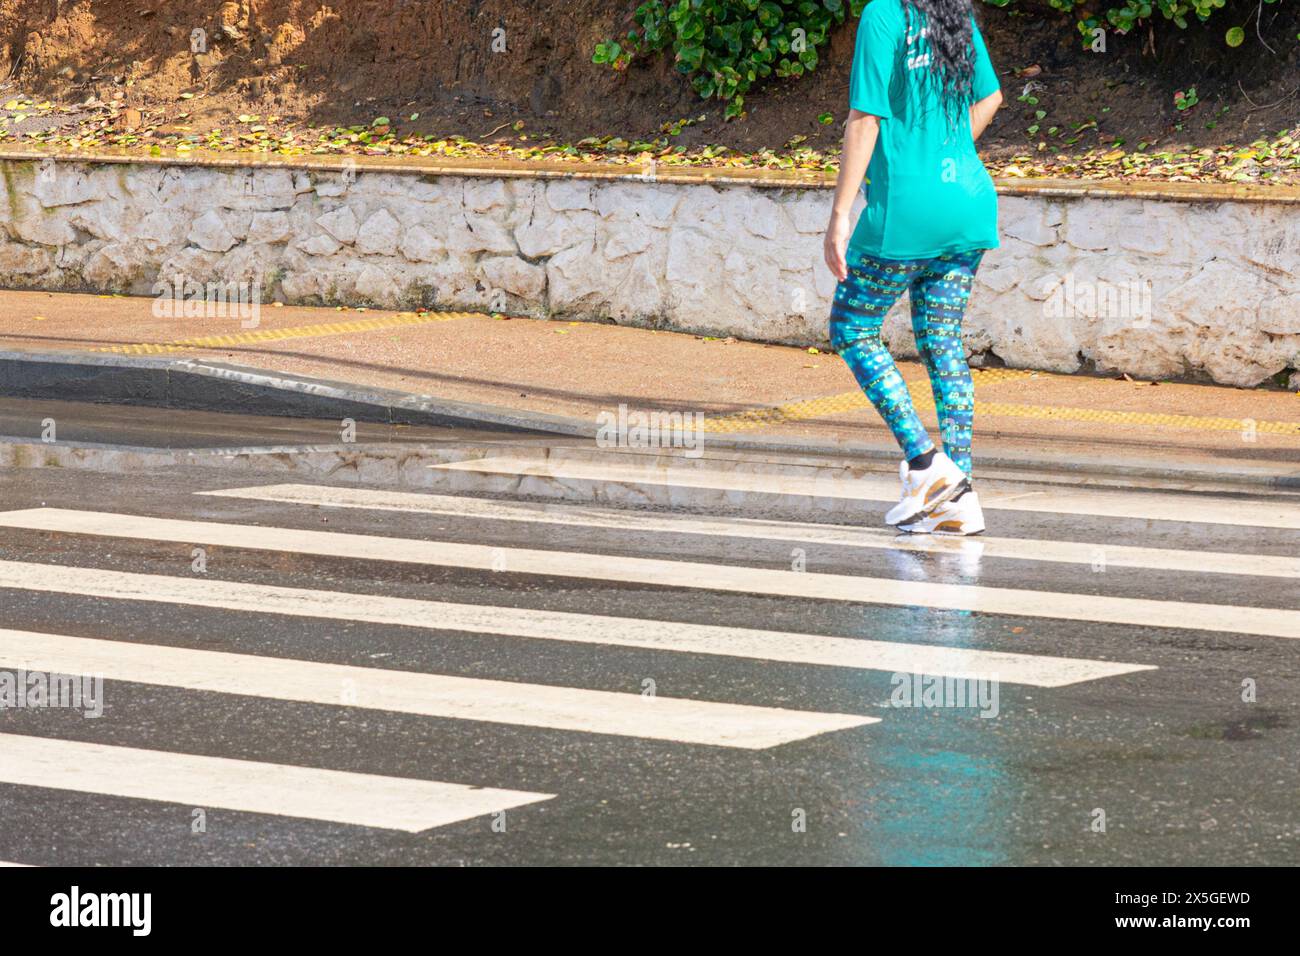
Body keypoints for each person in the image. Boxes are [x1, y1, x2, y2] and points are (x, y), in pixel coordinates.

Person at [824, 0, 1002, 536]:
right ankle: (959, 491)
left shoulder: (883, 14)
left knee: (852, 329)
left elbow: (865, 120)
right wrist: (944, 155)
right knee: (942, 341)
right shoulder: (954, 12)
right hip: (967, 202)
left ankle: (925, 467)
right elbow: (990, 97)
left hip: (904, 213)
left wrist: (839, 215)